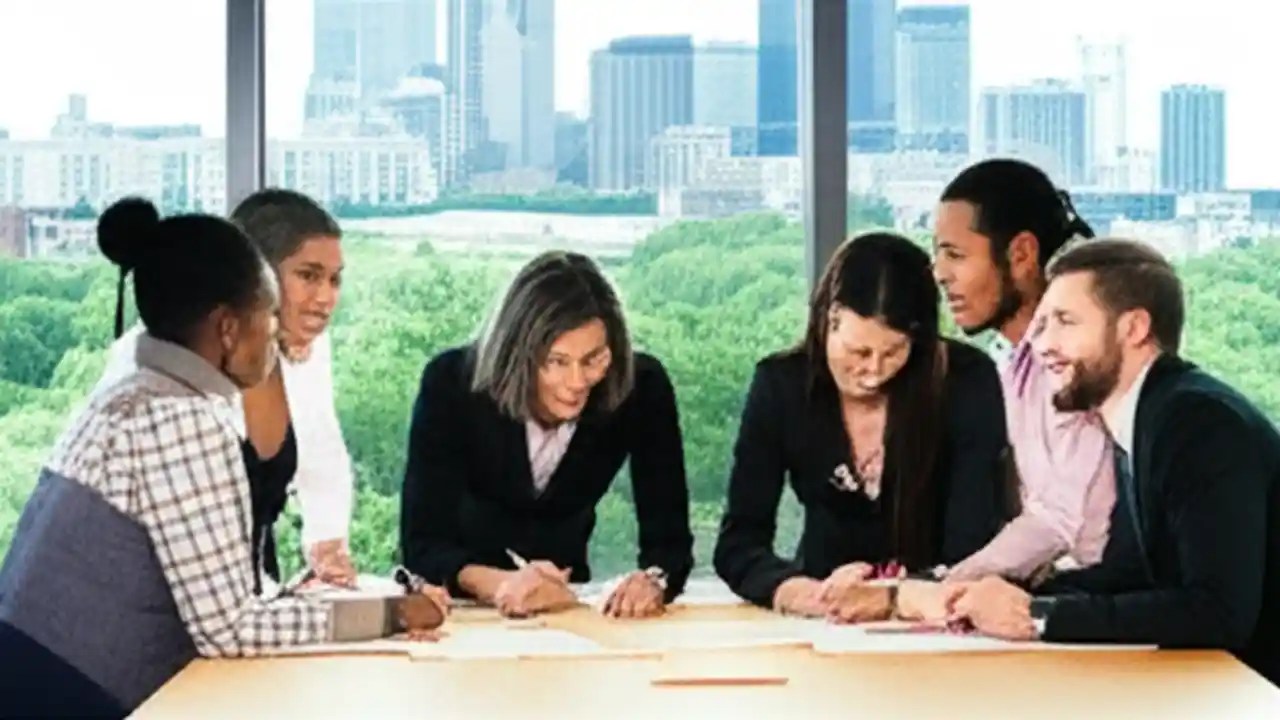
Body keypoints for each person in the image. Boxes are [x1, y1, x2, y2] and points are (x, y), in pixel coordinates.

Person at [0, 199, 447, 718]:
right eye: (269, 314)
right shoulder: (183, 419)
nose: (276, 331)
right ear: (229, 329)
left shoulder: (131, 396)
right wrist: (389, 614)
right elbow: (229, 628)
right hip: (79, 696)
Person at [946, 239, 1280, 686]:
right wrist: (1006, 597)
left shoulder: (1197, 422)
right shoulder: (1144, 419)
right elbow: (1130, 573)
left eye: (1064, 322)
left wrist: (1037, 616)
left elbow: (1216, 610)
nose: (1043, 346)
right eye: (1041, 325)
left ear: (1134, 328)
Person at [712, 232, 1007, 622]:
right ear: (828, 320)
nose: (873, 372)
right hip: (824, 616)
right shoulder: (781, 385)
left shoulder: (965, 380)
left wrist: (893, 597)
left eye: (893, 352)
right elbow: (739, 543)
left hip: (939, 615)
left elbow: (973, 545)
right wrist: (798, 592)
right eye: (858, 352)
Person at [399, 251, 694, 619]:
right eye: (556, 361)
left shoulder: (641, 387)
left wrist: (653, 581)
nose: (576, 383)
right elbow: (422, 543)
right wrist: (505, 585)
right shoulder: (452, 384)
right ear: (518, 354)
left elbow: (671, 546)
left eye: (593, 360)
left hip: (569, 610)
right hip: (463, 610)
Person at [97, 188, 357, 590]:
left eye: (335, 280)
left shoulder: (309, 353)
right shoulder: (160, 365)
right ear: (258, 275)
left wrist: (326, 552)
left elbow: (323, 457)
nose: (325, 298)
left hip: (245, 589)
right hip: (150, 602)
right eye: (308, 276)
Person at [931, 158, 1116, 583]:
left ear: (1021, 254)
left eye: (955, 255)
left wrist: (948, 586)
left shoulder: (1069, 361)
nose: (940, 274)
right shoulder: (1012, 363)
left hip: (1105, 602)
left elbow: (1058, 521)